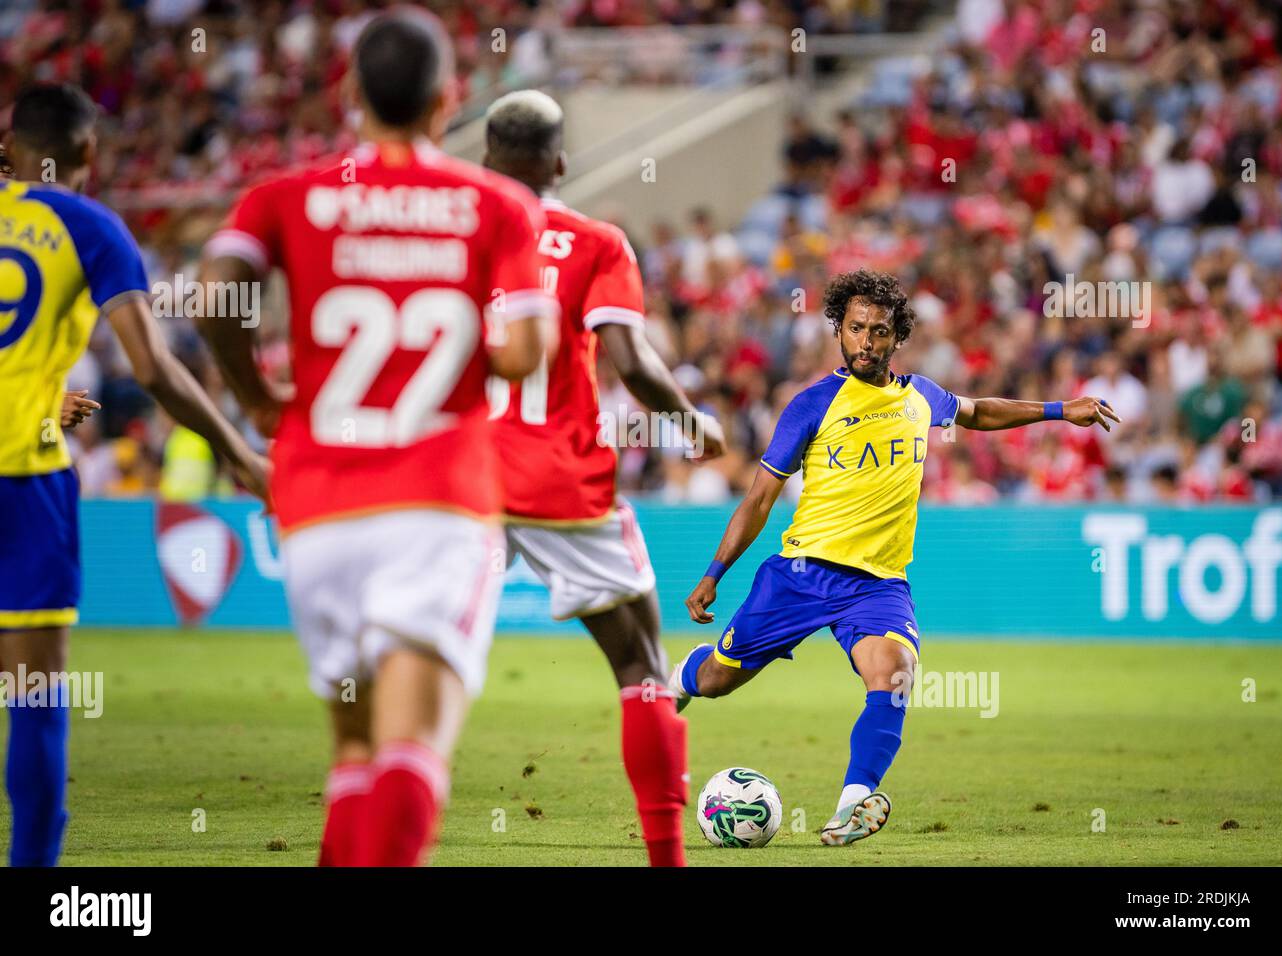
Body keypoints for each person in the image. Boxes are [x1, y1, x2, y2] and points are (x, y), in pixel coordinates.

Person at [195, 8, 552, 867]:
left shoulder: (285, 196)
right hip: (436, 501)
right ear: (448, 101)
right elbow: (522, 353)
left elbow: (215, 296)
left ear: (349, 93)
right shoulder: (498, 207)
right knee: (411, 751)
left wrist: (267, 400)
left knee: (353, 751)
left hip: (317, 508)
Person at [670, 269, 1119, 846]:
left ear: (895, 337)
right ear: (839, 330)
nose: (866, 341)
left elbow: (979, 412)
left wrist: (1059, 410)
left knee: (895, 677)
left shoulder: (920, 396)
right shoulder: (812, 406)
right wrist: (713, 574)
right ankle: (679, 679)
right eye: (855, 328)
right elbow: (759, 498)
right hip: (803, 574)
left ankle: (853, 804)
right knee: (718, 681)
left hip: (878, 583)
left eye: (879, 332)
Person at [0, 82, 268, 866]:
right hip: (22, 481)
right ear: (89, 152)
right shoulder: (89, 227)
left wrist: (47, 399)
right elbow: (151, 364)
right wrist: (237, 449)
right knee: (35, 695)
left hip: (32, 440)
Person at [482, 89, 726, 867]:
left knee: (410, 667)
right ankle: (665, 858)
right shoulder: (594, 243)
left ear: (487, 161)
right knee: (642, 666)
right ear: (559, 163)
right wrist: (694, 423)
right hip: (557, 479)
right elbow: (631, 359)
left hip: (453, 479)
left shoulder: (455, 232)